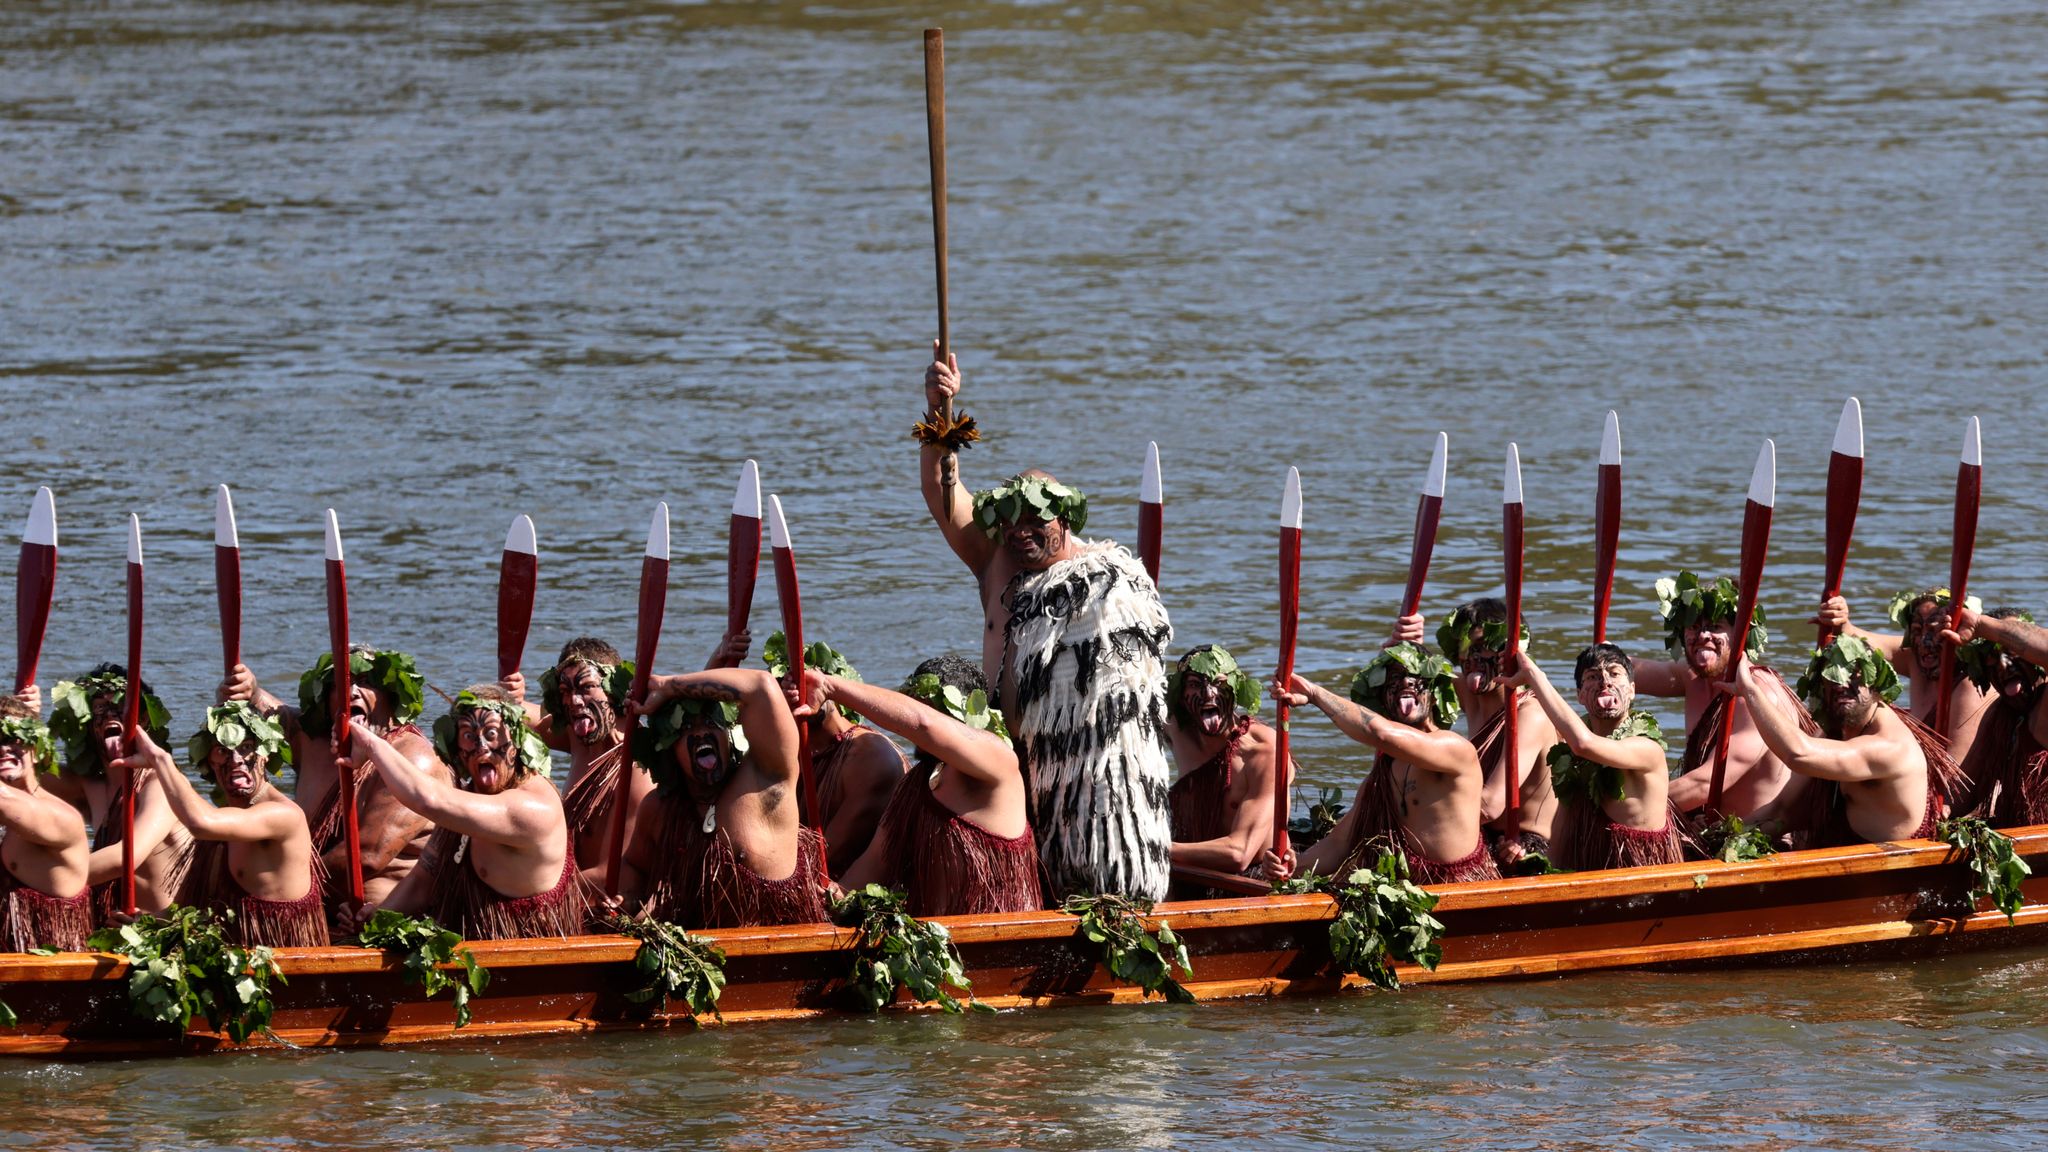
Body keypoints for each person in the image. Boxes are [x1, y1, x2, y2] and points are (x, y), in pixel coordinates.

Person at [921, 349, 1175, 901]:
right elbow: (945, 496)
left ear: (1066, 518)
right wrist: (940, 413)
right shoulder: (997, 567)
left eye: (1036, 518)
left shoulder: (1110, 577)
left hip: (1092, 775)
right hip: (1012, 767)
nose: (1020, 530)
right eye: (1010, 518)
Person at [221, 646, 446, 916]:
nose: (351, 692)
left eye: (365, 683)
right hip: (306, 899)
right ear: (326, 702)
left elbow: (367, 856)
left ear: (390, 697)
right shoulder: (311, 744)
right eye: (340, 684)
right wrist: (247, 689)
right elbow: (254, 712)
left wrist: (281, 891)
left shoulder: (413, 759)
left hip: (379, 916)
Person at [347, 686, 586, 939]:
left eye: (492, 734)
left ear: (516, 739)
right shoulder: (469, 795)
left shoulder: (533, 809)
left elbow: (429, 800)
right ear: (457, 749)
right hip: (464, 944)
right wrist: (375, 923)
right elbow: (422, 880)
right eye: (469, 736)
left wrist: (372, 745)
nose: (482, 747)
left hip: (523, 954)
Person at [1264, 644, 1498, 886]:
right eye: (1395, 678)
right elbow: (1339, 843)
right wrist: (1292, 867)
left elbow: (1380, 733)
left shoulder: (1455, 749)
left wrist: (1314, 694)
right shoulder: (1381, 777)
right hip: (1404, 892)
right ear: (1381, 699)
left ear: (1434, 692)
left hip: (1457, 886)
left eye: (1416, 677)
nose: (1406, 682)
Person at [826, 656, 1042, 916]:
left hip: (1001, 934)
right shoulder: (912, 785)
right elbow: (875, 862)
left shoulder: (997, 762)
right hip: (932, 940)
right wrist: (831, 897)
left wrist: (829, 686)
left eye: (929, 707)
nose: (914, 730)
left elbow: (923, 724)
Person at [618, 667, 827, 928]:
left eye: (710, 722)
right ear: (669, 750)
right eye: (684, 730)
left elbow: (761, 686)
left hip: (779, 945)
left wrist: (668, 686)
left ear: (729, 735)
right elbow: (635, 866)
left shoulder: (765, 778)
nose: (700, 733)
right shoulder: (661, 809)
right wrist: (628, 902)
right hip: (701, 952)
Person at [117, 703, 328, 947]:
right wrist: (150, 922)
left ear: (265, 754)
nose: (236, 759)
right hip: (233, 957)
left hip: (284, 959)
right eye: (222, 750)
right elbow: (204, 909)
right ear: (209, 762)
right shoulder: (224, 823)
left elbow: (199, 822)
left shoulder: (283, 816)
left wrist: (160, 761)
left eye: (247, 747)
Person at [1734, 635, 1961, 848]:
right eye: (1832, 676)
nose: (1841, 682)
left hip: (1889, 872)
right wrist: (1728, 837)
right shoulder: (1836, 730)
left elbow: (1798, 754)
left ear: (1876, 680)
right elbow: (1781, 810)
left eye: (1853, 672)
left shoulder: (1891, 747)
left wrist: (1750, 691)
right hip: (1840, 853)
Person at [1632, 573, 1813, 822]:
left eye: (1715, 627)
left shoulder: (1758, 695)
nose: (1703, 635)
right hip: (1705, 829)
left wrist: (1627, 806)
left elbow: (1702, 785)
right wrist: (1601, 660)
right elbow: (1629, 673)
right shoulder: (1693, 679)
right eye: (1695, 627)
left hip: (1759, 841)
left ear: (1740, 635)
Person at [1505, 647, 1684, 871]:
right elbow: (1561, 831)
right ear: (1580, 695)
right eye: (1592, 676)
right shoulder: (1572, 760)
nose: (1604, 681)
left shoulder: (1648, 750)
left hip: (1639, 876)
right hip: (1587, 872)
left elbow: (1584, 744)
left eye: (1614, 673)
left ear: (1631, 691)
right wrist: (1541, 869)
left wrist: (1535, 677)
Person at [42, 665, 192, 922]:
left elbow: (124, 858)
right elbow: (21, 775)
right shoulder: (89, 787)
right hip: (111, 929)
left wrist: (38, 880)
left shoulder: (161, 784)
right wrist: (21, 717)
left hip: (163, 933)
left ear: (143, 720)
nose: (112, 713)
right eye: (100, 708)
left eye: (122, 706)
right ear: (88, 725)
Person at [762, 632, 910, 876]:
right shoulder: (784, 754)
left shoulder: (870, 757)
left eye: (808, 682)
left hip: (848, 893)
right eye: (786, 684)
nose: (799, 691)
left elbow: (824, 860)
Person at [1426, 602, 1559, 873]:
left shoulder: (1530, 714)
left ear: (1507, 650)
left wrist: (1419, 820)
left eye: (1481, 648)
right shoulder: (1469, 693)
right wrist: (1401, 644)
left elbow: (1490, 806)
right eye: (1464, 649)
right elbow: (1410, 685)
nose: (1470, 658)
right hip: (1481, 837)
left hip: (1526, 849)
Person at [1163, 645, 1290, 898]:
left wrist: (1153, 847)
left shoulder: (1263, 750)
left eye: (1219, 683)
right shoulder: (1175, 729)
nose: (1208, 694)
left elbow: (1239, 853)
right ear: (1180, 695)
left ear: (1236, 688)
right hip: (1187, 870)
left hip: (1246, 882)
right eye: (1194, 685)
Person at [1816, 587, 1994, 761]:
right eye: (1917, 630)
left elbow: (1957, 774)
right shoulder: (1914, 659)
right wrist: (1840, 619)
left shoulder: (1970, 686)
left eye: (1934, 630)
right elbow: (1859, 639)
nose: (1924, 641)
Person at [530, 638, 647, 888]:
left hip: (603, 902)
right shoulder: (578, 738)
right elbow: (514, 716)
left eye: (585, 688)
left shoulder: (636, 767)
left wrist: (538, 897)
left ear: (614, 691)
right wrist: (511, 690)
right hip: (567, 887)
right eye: (565, 691)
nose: (574, 701)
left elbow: (613, 876)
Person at [1942, 605, 2048, 826]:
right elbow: (1964, 792)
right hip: (2015, 834)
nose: (2003, 665)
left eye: (2013, 653)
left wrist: (1980, 625)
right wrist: (1934, 813)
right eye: (1991, 660)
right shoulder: (1998, 714)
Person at [0, 699, 90, 951]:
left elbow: (5, 800)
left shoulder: (61, 817)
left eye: (15, 738)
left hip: (51, 968)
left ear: (39, 750)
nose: (4, 748)